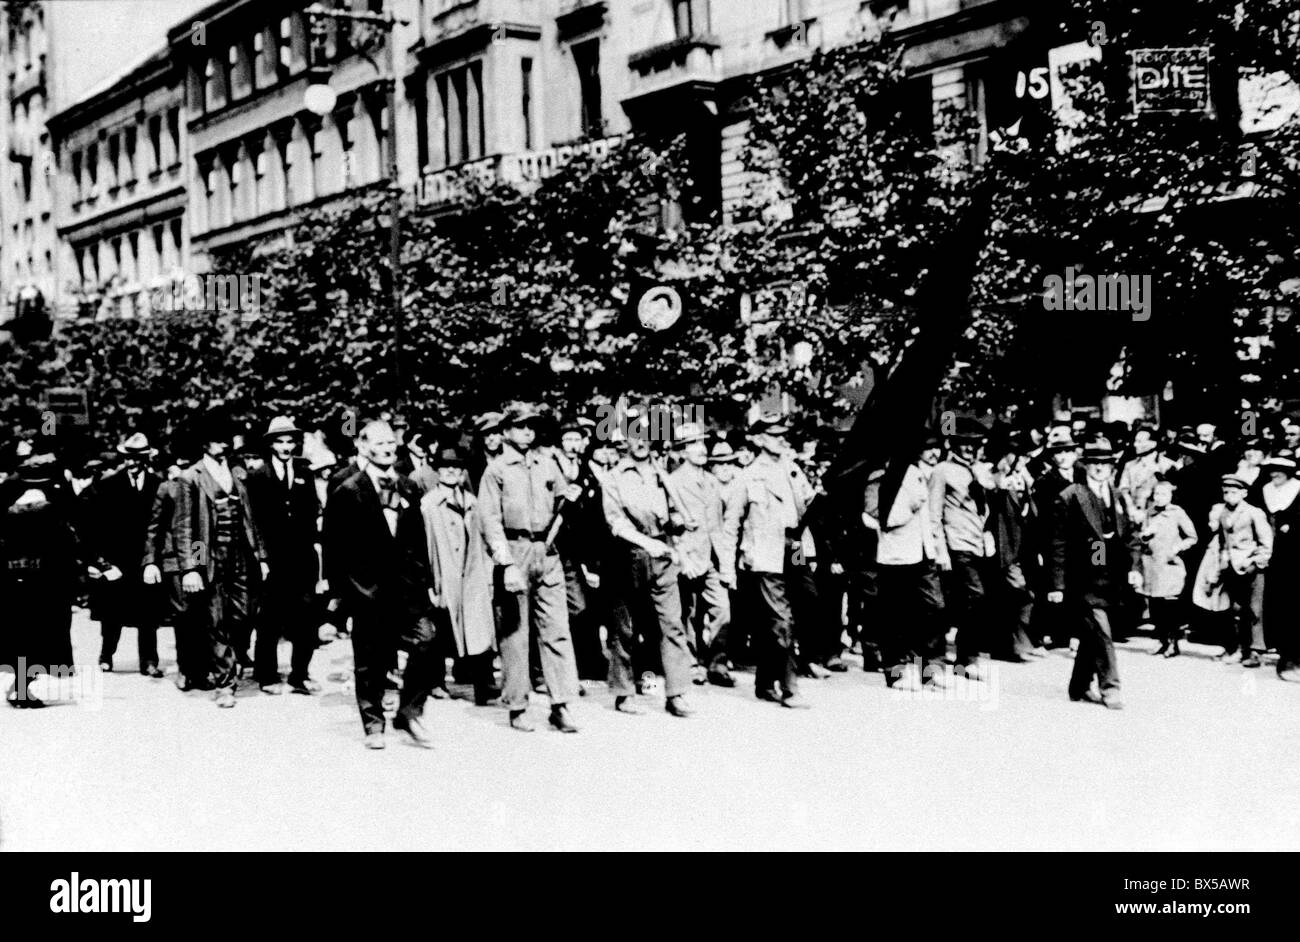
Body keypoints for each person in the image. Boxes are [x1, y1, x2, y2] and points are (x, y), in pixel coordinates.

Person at [324, 420, 440, 749]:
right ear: (363, 447)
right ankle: (373, 722)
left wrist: (425, 584)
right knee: (371, 660)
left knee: (427, 640)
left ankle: (408, 711)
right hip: (367, 590)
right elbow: (334, 545)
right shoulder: (348, 490)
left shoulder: (407, 486)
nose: (389, 448)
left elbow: (417, 544)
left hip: (406, 590)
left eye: (392, 442)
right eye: (380, 443)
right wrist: (339, 594)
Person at [476, 402, 581, 733]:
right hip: (514, 550)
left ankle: (560, 704)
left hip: (545, 551)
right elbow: (489, 520)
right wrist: (505, 563)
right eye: (520, 426)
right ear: (505, 431)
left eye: (531, 427)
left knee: (556, 630)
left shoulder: (547, 463)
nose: (527, 432)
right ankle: (517, 704)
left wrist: (570, 498)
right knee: (515, 634)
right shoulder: (496, 471)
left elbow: (565, 499)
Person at [172, 409, 270, 708]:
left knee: (243, 614)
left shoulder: (238, 474)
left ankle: (232, 658)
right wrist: (191, 567)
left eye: (225, 439)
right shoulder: (191, 477)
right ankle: (225, 683)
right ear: (204, 443)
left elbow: (251, 519)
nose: (222, 445)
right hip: (209, 553)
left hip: (241, 553)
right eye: (216, 440)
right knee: (216, 618)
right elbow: (184, 525)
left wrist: (261, 556)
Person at [721, 414, 814, 708]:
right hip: (764, 554)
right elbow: (731, 524)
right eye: (774, 435)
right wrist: (727, 568)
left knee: (805, 604)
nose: (781, 440)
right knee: (780, 621)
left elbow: (807, 505)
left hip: (794, 547)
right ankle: (790, 688)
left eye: (783, 435)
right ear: (759, 440)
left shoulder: (793, 469)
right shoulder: (747, 475)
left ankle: (764, 681)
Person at [1047, 437, 1141, 710]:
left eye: (1105, 463)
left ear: (1112, 466)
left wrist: (1134, 568)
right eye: (1094, 463)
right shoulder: (1070, 496)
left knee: (1092, 634)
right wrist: (1057, 584)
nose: (1099, 468)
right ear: (1085, 465)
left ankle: (1078, 686)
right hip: (1084, 579)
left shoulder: (1118, 495)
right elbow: (1057, 544)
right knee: (1102, 632)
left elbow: (1132, 536)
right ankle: (1111, 687)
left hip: (1112, 577)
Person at [245, 416, 323, 696]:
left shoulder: (304, 473)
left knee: (306, 616)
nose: (286, 446)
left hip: (302, 557)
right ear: (271, 444)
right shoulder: (258, 476)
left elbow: (312, 511)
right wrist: (262, 558)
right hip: (273, 558)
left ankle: (300, 674)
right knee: (270, 618)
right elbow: (253, 520)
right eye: (280, 441)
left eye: (290, 440)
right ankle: (266, 674)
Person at [0, 453, 80, 709]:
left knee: (21, 635)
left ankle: (21, 687)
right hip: (47, 583)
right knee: (43, 636)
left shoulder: (8, 510)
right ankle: (22, 689)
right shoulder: (50, 510)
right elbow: (67, 545)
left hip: (14, 582)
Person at [862, 449, 946, 691]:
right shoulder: (879, 477)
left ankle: (929, 669)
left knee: (933, 608)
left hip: (923, 553)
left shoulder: (918, 473)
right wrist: (910, 505)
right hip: (896, 555)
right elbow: (876, 515)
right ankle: (896, 671)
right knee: (895, 615)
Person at [421, 446, 499, 705]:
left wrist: (487, 575)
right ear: (437, 470)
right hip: (445, 572)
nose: (452, 471)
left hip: (472, 572)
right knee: (442, 628)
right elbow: (425, 546)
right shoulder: (429, 504)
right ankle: (435, 681)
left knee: (479, 627)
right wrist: (431, 583)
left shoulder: (472, 501)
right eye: (446, 466)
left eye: (456, 466)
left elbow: (483, 540)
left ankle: (484, 684)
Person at [86, 432, 165, 678]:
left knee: (148, 613)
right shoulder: (108, 483)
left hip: (146, 558)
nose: (132, 463)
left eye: (137, 458)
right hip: (116, 559)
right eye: (128, 458)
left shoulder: (156, 483)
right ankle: (106, 654)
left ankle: (149, 661)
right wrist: (100, 561)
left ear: (145, 459)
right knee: (112, 613)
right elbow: (93, 524)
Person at [929, 416, 996, 680]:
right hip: (956, 543)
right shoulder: (942, 470)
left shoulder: (979, 470)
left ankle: (965, 658)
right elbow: (934, 513)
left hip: (978, 543)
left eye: (974, 444)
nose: (969, 449)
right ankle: (961, 658)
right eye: (964, 443)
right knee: (972, 597)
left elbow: (986, 506)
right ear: (953, 444)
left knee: (973, 602)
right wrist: (940, 550)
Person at [669, 422, 735, 688]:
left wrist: (726, 562)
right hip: (687, 556)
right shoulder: (673, 481)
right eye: (693, 445)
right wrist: (682, 534)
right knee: (687, 613)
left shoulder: (711, 481)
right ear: (683, 451)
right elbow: (668, 520)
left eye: (701, 443)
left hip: (712, 558)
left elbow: (720, 523)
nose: (700, 449)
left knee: (723, 610)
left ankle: (717, 662)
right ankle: (692, 663)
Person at [553, 416, 608, 690]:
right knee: (573, 609)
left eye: (577, 439)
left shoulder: (585, 470)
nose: (573, 445)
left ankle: (585, 663)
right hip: (557, 548)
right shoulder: (554, 468)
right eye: (568, 439)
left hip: (580, 550)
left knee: (583, 609)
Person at [1207, 474, 1273, 668]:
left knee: (1254, 610)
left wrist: (1257, 562)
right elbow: (1221, 539)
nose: (1229, 496)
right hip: (1230, 566)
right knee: (1234, 609)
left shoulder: (1254, 512)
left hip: (1251, 566)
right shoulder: (1222, 512)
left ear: (1244, 493)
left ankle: (1255, 651)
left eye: (1234, 492)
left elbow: (1266, 542)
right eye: (1226, 492)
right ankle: (1236, 648)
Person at [1135, 478, 1197, 658]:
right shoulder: (1150, 512)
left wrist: (1177, 548)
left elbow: (1192, 537)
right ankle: (1161, 640)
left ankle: (1173, 642)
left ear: (1171, 496)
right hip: (1152, 565)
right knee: (1155, 606)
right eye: (1156, 494)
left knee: (1170, 607)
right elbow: (1141, 537)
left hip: (1169, 565)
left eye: (1163, 494)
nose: (1159, 498)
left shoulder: (1177, 513)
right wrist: (1145, 535)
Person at [1260, 453, 1300, 679]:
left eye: (1278, 470)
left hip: (1295, 556)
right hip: (1274, 557)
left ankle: (1295, 658)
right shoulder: (1266, 490)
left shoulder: (1298, 489)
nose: (1274, 474)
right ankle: (1285, 660)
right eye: (1271, 469)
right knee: (1278, 604)